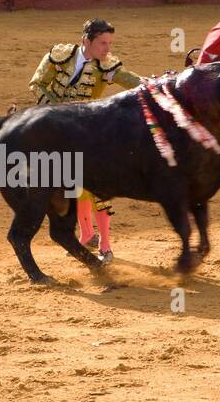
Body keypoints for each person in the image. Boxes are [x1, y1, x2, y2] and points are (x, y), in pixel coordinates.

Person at [27, 18, 144, 263]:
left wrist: (156, 84)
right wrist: (57, 112)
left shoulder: (107, 66)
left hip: (86, 131)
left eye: (110, 43)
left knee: (94, 186)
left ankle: (105, 246)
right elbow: (36, 84)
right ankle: (87, 232)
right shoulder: (60, 55)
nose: (107, 49)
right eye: (103, 43)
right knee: (71, 186)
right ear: (86, 41)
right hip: (55, 130)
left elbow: (132, 81)